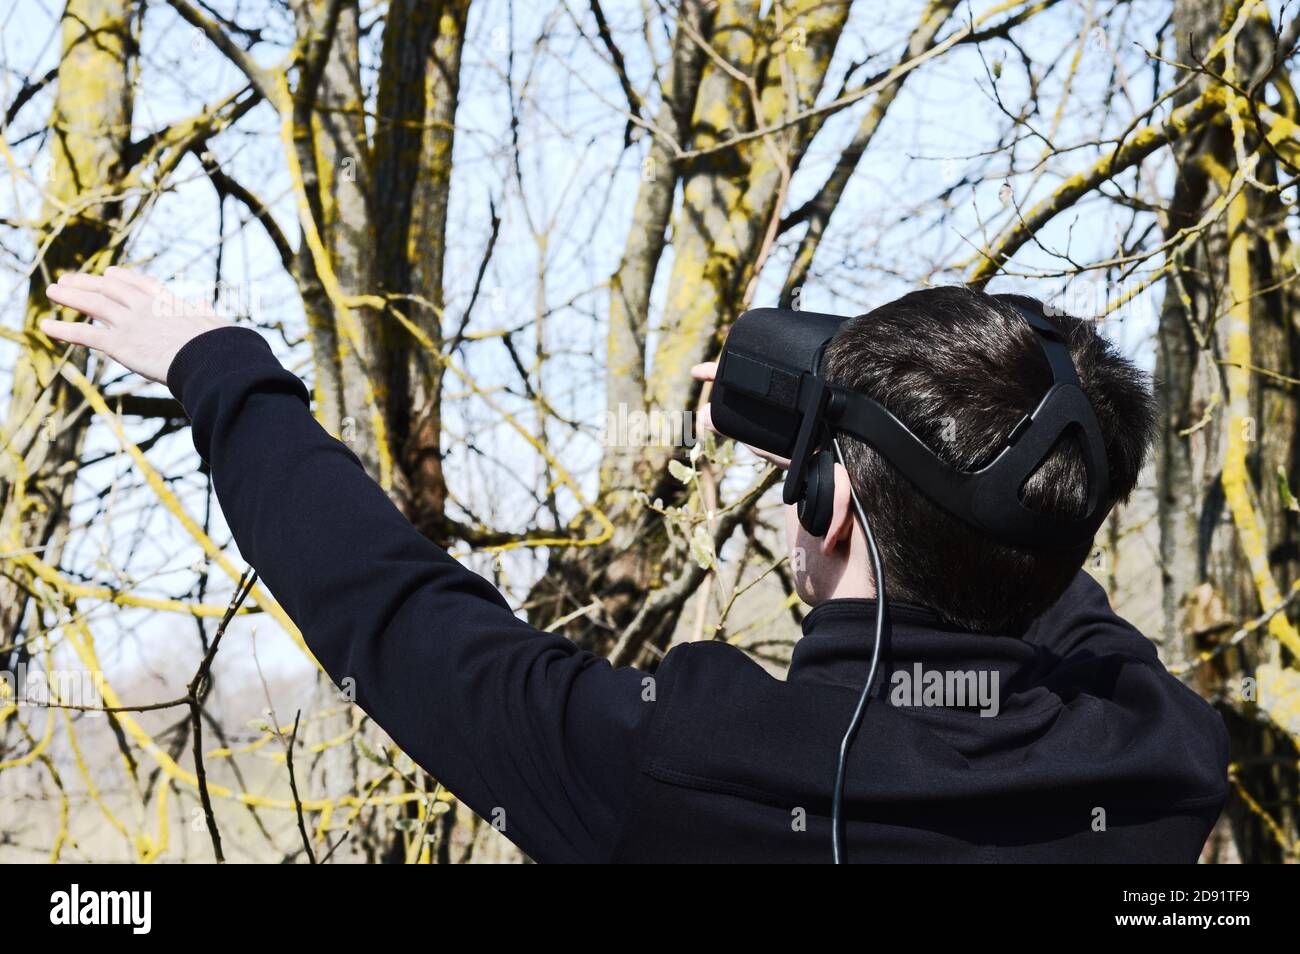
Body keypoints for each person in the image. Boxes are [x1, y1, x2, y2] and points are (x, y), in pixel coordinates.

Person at [41, 269, 1228, 863]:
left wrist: (216, 362)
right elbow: (1049, 586)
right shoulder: (1160, 754)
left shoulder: (692, 772)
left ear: (823, 511)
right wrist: (883, 461)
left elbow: (394, 609)